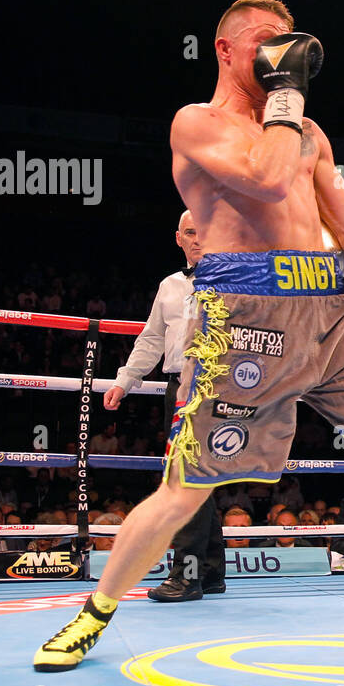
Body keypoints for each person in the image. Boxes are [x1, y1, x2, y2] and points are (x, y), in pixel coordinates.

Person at [34, 0, 344, 675]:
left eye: (287, 44)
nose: (280, 56)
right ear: (227, 51)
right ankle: (94, 614)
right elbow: (266, 179)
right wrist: (287, 93)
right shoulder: (196, 124)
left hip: (327, 308)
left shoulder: (312, 134)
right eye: (267, 43)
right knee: (187, 486)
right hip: (242, 317)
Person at [105, 209, 227, 603]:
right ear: (179, 238)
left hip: (215, 383)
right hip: (176, 384)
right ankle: (209, 572)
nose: (198, 239)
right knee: (197, 477)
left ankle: (186, 576)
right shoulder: (170, 285)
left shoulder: (237, 279)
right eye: (191, 232)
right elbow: (152, 339)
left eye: (205, 232)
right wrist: (125, 381)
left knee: (186, 480)